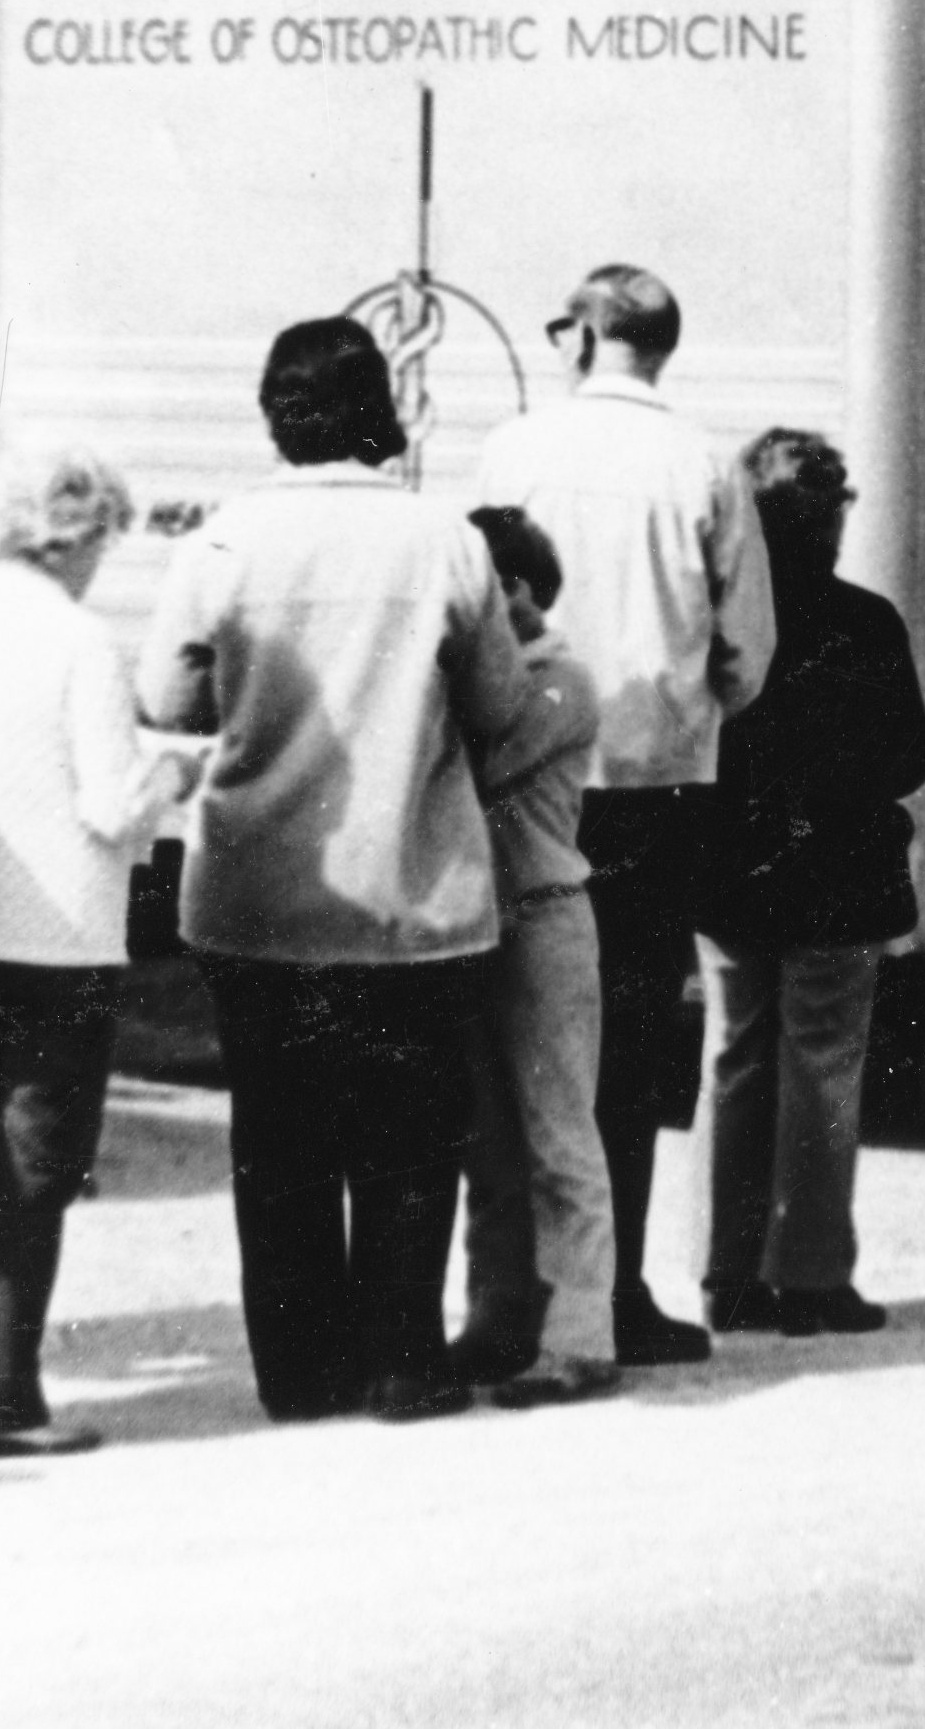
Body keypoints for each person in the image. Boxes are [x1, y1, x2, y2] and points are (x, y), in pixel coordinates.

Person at [143, 318, 528, 1424]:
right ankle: (403, 1357)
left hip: (258, 896)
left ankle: (301, 1369)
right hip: (414, 890)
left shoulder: (218, 543)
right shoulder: (442, 539)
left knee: (279, 1136)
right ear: (378, 409)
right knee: (410, 1135)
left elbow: (172, 705)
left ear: (274, 413)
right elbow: (500, 708)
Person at [473, 264, 774, 1365]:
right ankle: (618, 1291)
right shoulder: (703, 460)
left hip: (528, 773)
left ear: (589, 335)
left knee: (518, 1037)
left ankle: (515, 1294)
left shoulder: (516, 447)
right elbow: (747, 643)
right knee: (633, 1042)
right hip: (656, 786)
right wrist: (690, 705)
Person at [0, 437, 182, 1457]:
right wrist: (172, 777)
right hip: (49, 931)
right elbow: (108, 802)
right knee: (34, 1162)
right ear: (80, 535)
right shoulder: (81, 639)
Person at [699, 429, 925, 1339]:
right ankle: (811, 1274)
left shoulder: (721, 620)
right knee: (823, 1066)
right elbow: (911, 752)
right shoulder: (865, 621)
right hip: (838, 875)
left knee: (735, 1058)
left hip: (732, 873)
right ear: (835, 517)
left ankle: (728, 1271)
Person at [448, 505, 624, 1408]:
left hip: (545, 914)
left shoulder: (562, 682)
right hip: (481, 920)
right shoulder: (500, 676)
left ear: (514, 589)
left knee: (560, 1132)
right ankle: (497, 1318)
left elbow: (475, 763)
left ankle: (581, 1332)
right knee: (489, 1138)